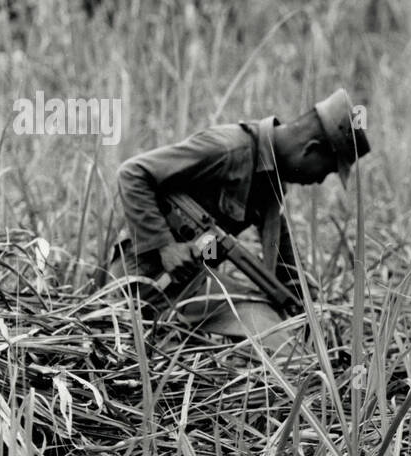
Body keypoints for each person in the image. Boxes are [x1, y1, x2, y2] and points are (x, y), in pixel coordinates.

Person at [112, 89, 370, 343]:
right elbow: (132, 173)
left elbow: (281, 253)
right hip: (147, 278)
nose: (319, 180)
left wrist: (306, 302)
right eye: (327, 170)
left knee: (279, 326)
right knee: (276, 338)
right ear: (311, 149)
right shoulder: (228, 149)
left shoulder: (268, 180)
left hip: (190, 280)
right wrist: (165, 245)